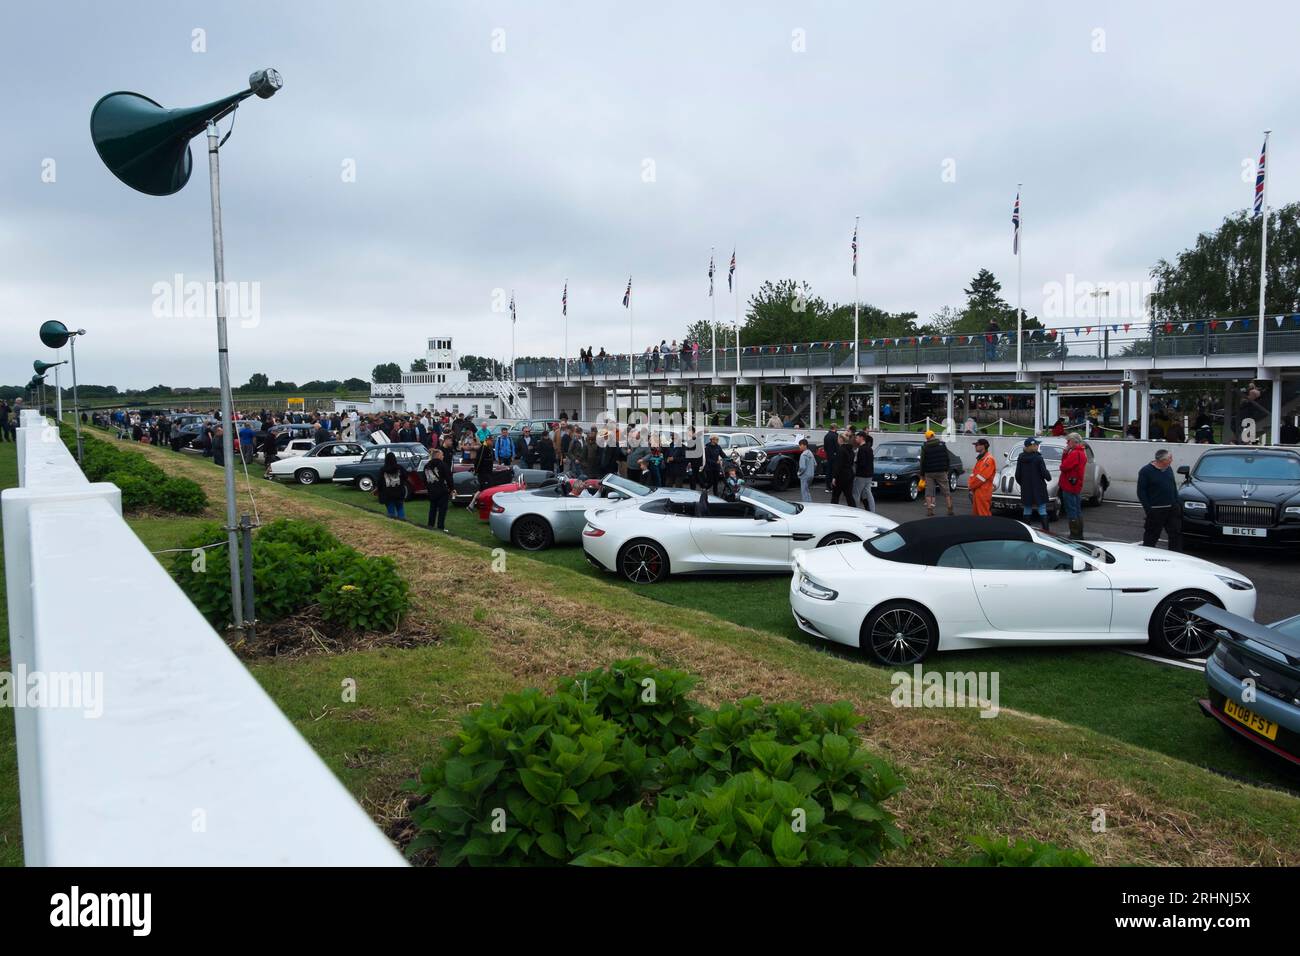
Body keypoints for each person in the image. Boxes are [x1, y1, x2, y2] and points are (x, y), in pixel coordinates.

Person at [1137, 449, 1180, 550]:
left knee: (1175, 533)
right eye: (1170, 458)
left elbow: (1173, 486)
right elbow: (1141, 492)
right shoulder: (1146, 471)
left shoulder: (1169, 468)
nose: (1172, 460)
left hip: (1172, 508)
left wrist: (1176, 502)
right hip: (1156, 510)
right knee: (1152, 535)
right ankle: (1147, 556)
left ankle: (1175, 556)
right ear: (1162, 460)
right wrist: (1148, 509)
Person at [1015, 437, 1051, 531]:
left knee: (1027, 508)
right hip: (1039, 487)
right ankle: (1046, 531)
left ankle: (1026, 531)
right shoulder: (1038, 458)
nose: (1038, 446)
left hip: (1026, 488)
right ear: (1032, 446)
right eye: (1036, 445)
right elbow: (1044, 472)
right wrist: (1049, 477)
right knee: (1042, 508)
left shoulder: (1021, 457)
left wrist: (1023, 484)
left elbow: (1017, 475)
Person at [1059, 431, 1087, 539]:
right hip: (1076, 484)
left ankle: (1075, 534)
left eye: (1069, 440)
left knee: (1071, 509)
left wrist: (1065, 453)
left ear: (1074, 441)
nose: (1067, 443)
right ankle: (1079, 533)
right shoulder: (1082, 453)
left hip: (1069, 484)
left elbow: (1063, 466)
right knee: (1077, 509)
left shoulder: (1075, 453)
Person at [920, 429, 953, 517]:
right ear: (933, 436)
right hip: (941, 471)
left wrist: (922, 474)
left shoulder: (925, 446)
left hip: (929, 472)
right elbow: (947, 458)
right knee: (946, 491)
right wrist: (946, 469)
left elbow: (922, 461)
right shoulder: (942, 445)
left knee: (929, 491)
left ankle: (930, 510)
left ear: (927, 438)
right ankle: (950, 509)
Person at [423, 448, 454, 532]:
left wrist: (429, 487)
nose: (443, 456)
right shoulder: (442, 465)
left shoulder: (426, 466)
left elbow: (424, 479)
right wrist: (452, 488)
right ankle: (440, 527)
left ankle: (430, 525)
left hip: (431, 491)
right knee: (442, 510)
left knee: (432, 509)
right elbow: (449, 478)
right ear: (438, 456)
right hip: (442, 490)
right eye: (442, 455)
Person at [967, 437, 996, 516]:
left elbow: (981, 478)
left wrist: (971, 486)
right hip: (978, 491)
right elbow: (974, 474)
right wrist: (970, 485)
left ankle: (987, 528)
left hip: (983, 491)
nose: (975, 446)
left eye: (977, 445)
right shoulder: (981, 459)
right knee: (977, 515)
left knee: (983, 514)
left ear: (983, 446)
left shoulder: (988, 460)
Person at [378, 452, 406, 520]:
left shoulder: (383, 470)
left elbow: (379, 482)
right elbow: (406, 476)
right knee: (400, 509)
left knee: (391, 512)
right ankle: (402, 523)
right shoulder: (400, 468)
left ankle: (392, 524)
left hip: (388, 494)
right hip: (399, 492)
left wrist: (378, 490)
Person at [831, 430, 857, 506]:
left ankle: (833, 511)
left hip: (841, 476)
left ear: (841, 439)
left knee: (835, 496)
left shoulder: (840, 450)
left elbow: (838, 465)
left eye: (838, 439)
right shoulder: (851, 450)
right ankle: (854, 510)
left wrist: (834, 477)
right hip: (849, 474)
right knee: (849, 495)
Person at [796, 439, 816, 503]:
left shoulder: (803, 455)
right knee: (807, 491)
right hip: (811, 475)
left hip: (805, 475)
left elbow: (802, 467)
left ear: (804, 445)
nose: (799, 447)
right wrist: (812, 471)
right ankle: (810, 503)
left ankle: (807, 505)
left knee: (804, 491)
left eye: (800, 445)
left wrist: (799, 473)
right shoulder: (810, 453)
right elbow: (815, 464)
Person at [822, 423, 840, 491]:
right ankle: (833, 486)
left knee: (828, 471)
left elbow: (825, 447)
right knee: (834, 471)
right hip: (835, 456)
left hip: (828, 455)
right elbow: (837, 446)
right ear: (835, 428)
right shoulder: (835, 436)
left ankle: (827, 487)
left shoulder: (826, 436)